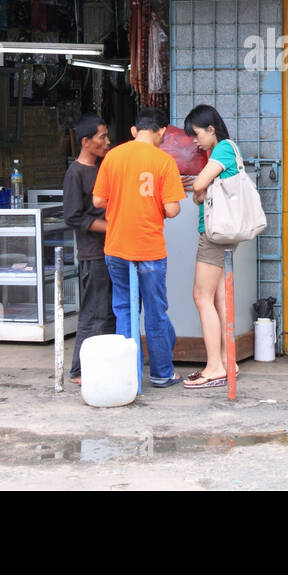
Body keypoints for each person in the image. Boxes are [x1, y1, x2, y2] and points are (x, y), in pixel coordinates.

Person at [92, 108, 186, 389]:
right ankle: (161, 373)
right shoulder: (164, 161)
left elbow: (98, 200)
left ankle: (128, 376)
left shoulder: (113, 156)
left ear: (134, 131)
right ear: (161, 132)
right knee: (156, 313)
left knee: (124, 310)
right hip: (149, 250)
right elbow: (172, 209)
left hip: (117, 247)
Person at [183, 104, 241, 390]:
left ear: (211, 129)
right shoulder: (226, 150)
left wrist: (197, 186)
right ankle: (227, 361)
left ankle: (214, 366)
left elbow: (199, 187)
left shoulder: (222, 150)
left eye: (196, 134)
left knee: (201, 297)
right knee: (218, 298)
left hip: (214, 236)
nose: (195, 141)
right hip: (224, 235)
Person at [63, 115, 113, 385]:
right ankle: (79, 370)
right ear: (85, 141)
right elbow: (73, 216)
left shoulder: (105, 166)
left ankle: (102, 364)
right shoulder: (75, 174)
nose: (107, 141)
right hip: (93, 253)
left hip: (113, 250)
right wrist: (109, 227)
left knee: (110, 312)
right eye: (102, 137)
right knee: (94, 312)